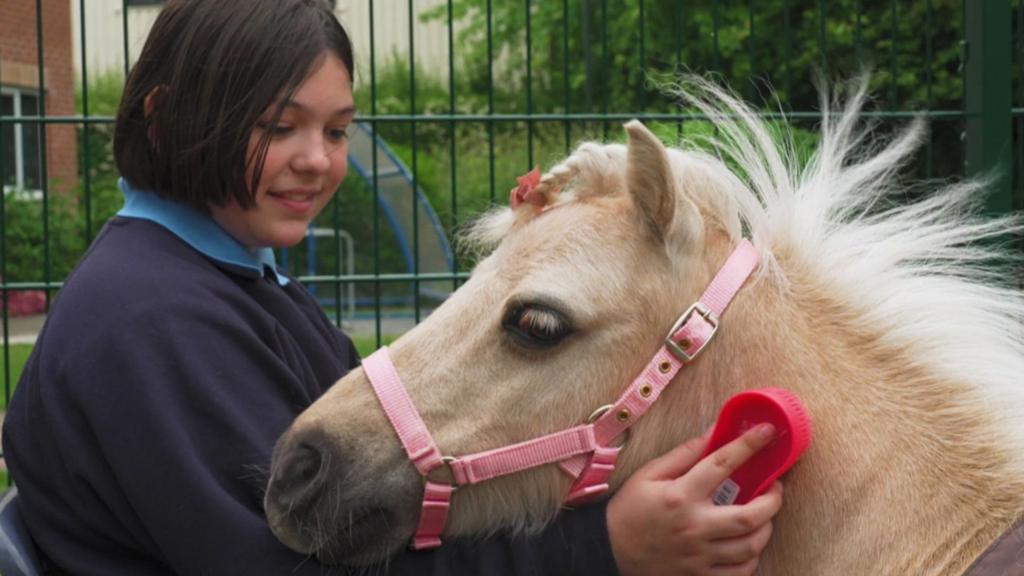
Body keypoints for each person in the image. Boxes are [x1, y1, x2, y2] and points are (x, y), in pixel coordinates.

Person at [1, 1, 784, 574]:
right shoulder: (153, 322)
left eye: (337, 130)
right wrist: (602, 551)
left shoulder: (225, 274)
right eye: (280, 126)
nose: (318, 159)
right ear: (167, 120)